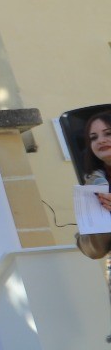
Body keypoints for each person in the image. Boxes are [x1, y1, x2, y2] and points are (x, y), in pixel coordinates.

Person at [73, 111, 111, 261]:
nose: (101, 141)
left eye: (108, 133)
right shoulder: (94, 183)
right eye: (93, 138)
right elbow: (96, 250)